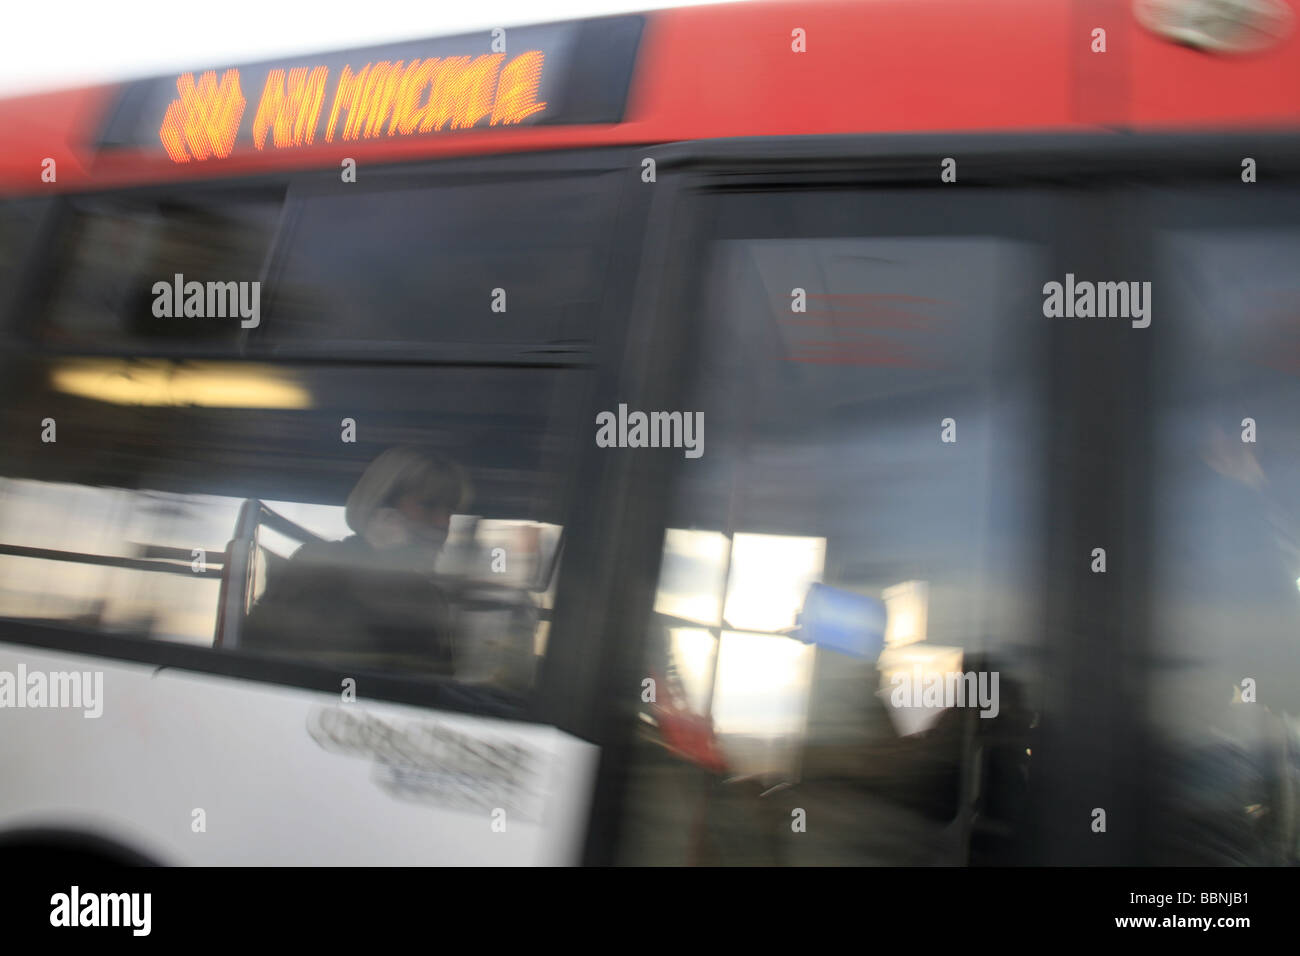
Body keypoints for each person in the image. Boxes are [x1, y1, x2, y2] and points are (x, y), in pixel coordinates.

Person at [241, 447, 472, 675]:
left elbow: (437, 684)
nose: (443, 524)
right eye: (428, 505)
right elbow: (320, 656)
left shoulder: (431, 596)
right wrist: (387, 555)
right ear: (382, 510)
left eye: (449, 512)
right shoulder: (318, 562)